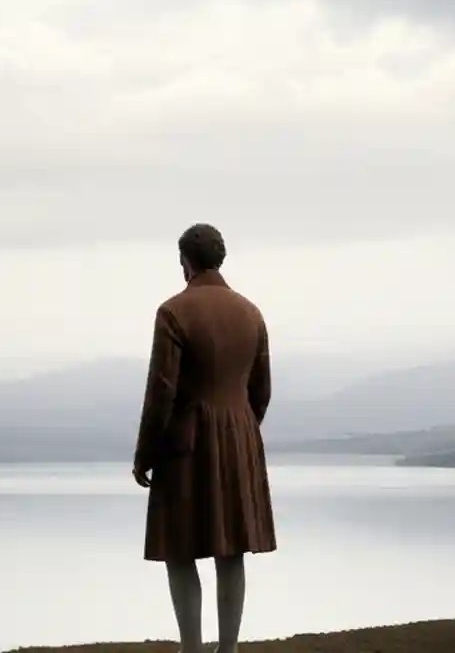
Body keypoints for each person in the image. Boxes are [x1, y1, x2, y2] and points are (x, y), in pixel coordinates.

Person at [132, 223, 277, 653]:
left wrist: (145, 453)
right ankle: (228, 649)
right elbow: (262, 389)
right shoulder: (251, 313)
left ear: (185, 262)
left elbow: (161, 391)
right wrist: (243, 430)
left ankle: (191, 649)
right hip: (239, 437)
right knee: (231, 550)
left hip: (185, 442)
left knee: (179, 549)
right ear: (220, 258)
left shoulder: (173, 312)